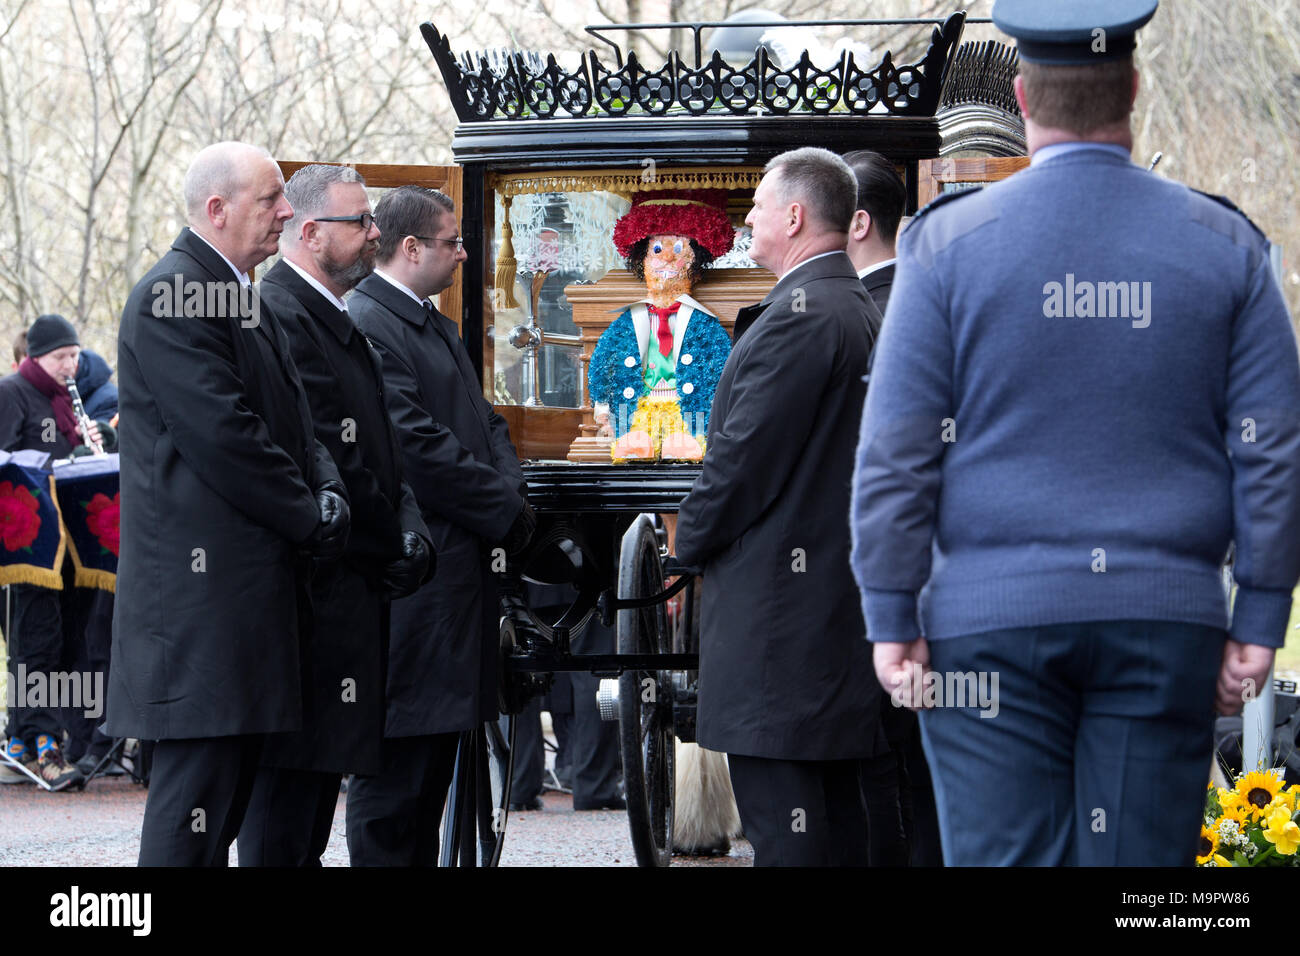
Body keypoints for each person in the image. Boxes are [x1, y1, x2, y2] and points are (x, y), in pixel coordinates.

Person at [852, 0, 1300, 866]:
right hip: (1160, 615)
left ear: (1021, 97)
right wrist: (1261, 616)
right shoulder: (1226, 247)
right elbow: (1271, 449)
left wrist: (891, 612)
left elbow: (897, 453)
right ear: (1133, 87)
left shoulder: (946, 249)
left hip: (985, 622)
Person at [105, 141, 350, 866]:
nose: (285, 211)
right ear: (217, 209)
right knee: (192, 823)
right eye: (272, 198)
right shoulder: (170, 294)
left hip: (243, 610)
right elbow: (227, 439)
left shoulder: (241, 294)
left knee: (224, 810)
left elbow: (300, 426)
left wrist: (329, 488)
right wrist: (312, 517)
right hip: (200, 617)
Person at [674, 147, 889, 866]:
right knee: (833, 823)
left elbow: (740, 464)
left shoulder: (802, 316)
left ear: (794, 215)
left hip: (784, 629)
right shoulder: (846, 302)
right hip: (824, 617)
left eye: (759, 206)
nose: (751, 218)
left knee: (792, 830)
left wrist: (685, 545)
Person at [235, 164, 432, 866]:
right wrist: (390, 540)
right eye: (361, 222)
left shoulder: (336, 310)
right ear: (312, 232)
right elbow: (328, 451)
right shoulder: (282, 310)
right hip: (317, 591)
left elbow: (380, 441)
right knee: (285, 810)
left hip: (352, 581)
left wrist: (406, 519)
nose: (376, 233)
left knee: (311, 802)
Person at [347, 185, 533, 865]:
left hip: (458, 580)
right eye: (453, 241)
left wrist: (511, 495)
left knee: (432, 778)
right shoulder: (369, 322)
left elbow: (485, 425)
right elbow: (415, 447)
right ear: (411, 248)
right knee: (398, 785)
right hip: (419, 584)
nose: (463, 253)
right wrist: (507, 511)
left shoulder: (431, 323)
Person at [843, 148, 942, 868]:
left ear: (855, 223)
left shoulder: (860, 315)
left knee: (888, 767)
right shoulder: (934, 298)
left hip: (877, 576)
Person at [0, 314, 104, 791]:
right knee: (35, 642)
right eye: (62, 356)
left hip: (72, 547)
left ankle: (36, 737)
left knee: (69, 643)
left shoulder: (66, 402)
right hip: (31, 545)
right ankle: (41, 742)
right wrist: (55, 464)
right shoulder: (13, 392)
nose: (71, 364)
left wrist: (92, 448)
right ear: (37, 357)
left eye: (75, 355)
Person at [588, 189, 735, 461]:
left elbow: (722, 366)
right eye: (657, 249)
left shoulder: (705, 325)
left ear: (697, 263)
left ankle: (688, 440)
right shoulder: (627, 323)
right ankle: (633, 440)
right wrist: (602, 408)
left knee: (686, 441)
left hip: (687, 409)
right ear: (642, 261)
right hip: (637, 405)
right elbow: (603, 361)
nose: (667, 257)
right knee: (634, 439)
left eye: (678, 249)